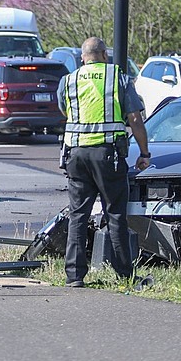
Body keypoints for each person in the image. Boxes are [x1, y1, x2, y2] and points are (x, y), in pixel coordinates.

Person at [57, 37, 151, 287]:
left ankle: (74, 276)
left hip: (76, 155)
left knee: (78, 215)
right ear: (104, 56)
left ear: (82, 58)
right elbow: (135, 118)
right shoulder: (118, 78)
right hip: (108, 156)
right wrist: (144, 153)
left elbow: (65, 111)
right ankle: (124, 274)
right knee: (115, 214)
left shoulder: (69, 80)